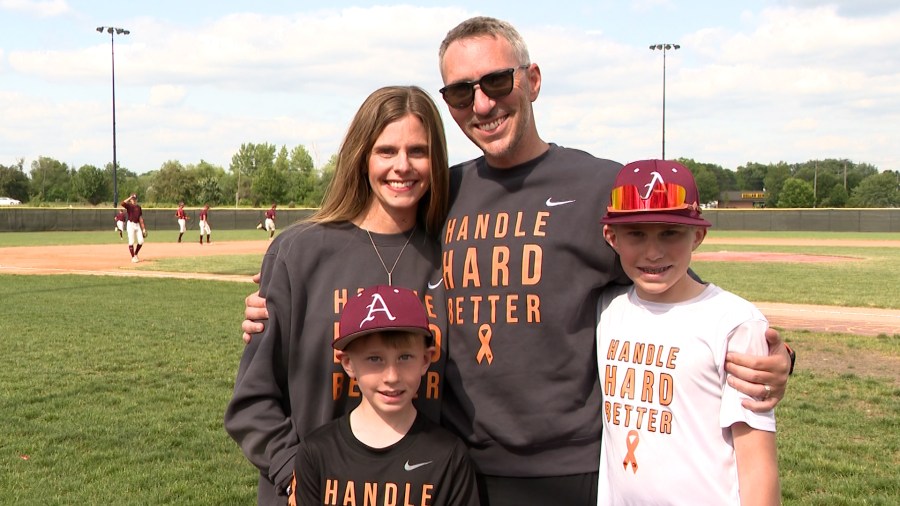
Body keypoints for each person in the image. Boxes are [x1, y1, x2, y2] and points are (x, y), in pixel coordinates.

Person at [241, 17, 792, 506]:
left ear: (531, 81)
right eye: (460, 94)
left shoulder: (597, 185)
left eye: (497, 82)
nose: (482, 104)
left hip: (567, 468)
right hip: (455, 465)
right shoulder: (442, 195)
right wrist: (280, 307)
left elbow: (669, 282)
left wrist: (776, 355)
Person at [224, 85, 450, 506]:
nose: (403, 166)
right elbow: (253, 399)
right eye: (386, 151)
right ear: (362, 156)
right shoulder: (299, 251)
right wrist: (295, 474)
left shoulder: (451, 253)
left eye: (418, 151)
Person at [596, 159, 780, 505]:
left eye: (670, 232)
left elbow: (758, 465)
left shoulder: (735, 323)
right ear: (612, 237)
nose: (653, 251)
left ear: (697, 235)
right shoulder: (607, 310)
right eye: (636, 233)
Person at [293, 285, 479, 506]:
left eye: (405, 357)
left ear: (426, 360)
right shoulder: (317, 453)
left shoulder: (448, 457)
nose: (392, 376)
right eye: (375, 359)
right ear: (348, 363)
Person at [121, 193, 146, 263]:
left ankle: (135, 254)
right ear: (130, 200)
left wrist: (143, 228)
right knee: (131, 241)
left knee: (141, 241)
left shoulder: (139, 207)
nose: (133, 200)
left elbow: (140, 218)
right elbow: (122, 203)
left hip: (137, 225)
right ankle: (133, 257)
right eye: (132, 199)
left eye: (134, 199)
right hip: (130, 224)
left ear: (137, 200)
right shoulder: (129, 206)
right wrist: (129, 198)